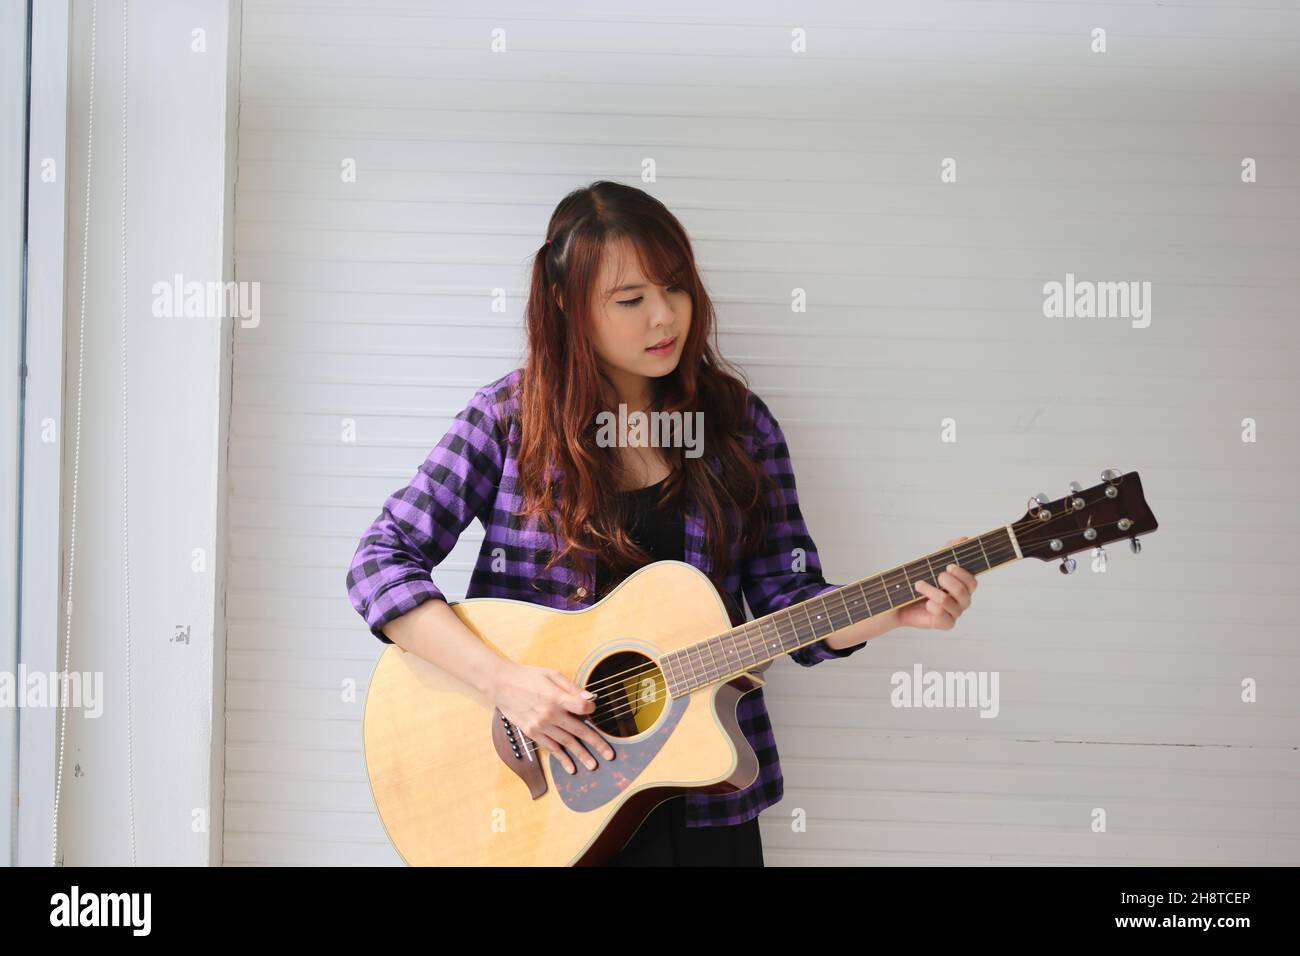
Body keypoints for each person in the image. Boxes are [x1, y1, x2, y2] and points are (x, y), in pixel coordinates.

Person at [345, 180, 978, 866]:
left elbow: (790, 602)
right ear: (566, 304)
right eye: (631, 300)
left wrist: (896, 608)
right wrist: (506, 683)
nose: (664, 318)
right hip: (543, 810)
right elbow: (380, 560)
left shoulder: (735, 426)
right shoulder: (509, 418)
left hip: (704, 799)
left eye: (675, 289)